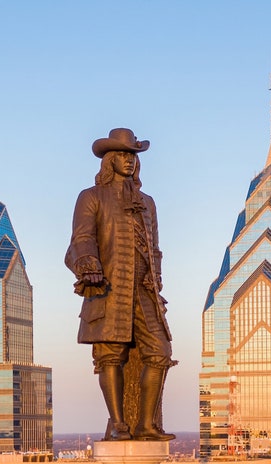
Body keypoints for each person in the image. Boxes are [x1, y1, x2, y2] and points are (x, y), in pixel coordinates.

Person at [65, 128, 175, 441]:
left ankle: (146, 424)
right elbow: (81, 238)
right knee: (110, 356)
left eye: (133, 156)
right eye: (123, 155)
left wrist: (156, 276)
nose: (129, 161)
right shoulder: (91, 197)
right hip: (109, 288)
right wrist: (89, 265)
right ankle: (118, 424)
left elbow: (155, 247)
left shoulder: (147, 202)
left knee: (160, 352)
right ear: (110, 159)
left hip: (143, 291)